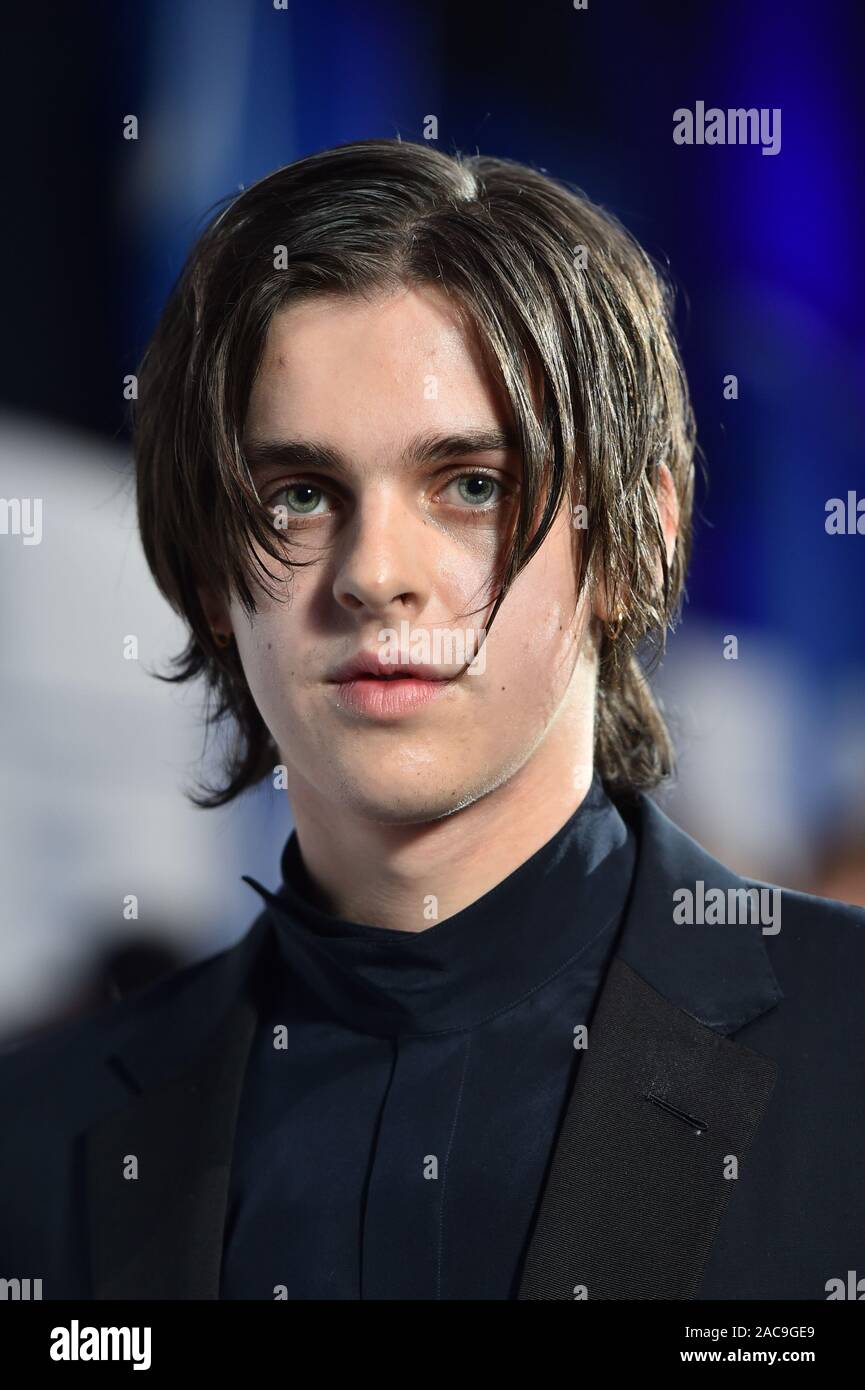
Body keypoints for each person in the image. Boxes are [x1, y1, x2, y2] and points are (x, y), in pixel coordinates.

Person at [2, 139, 863, 1302]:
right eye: (299, 494)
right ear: (210, 574)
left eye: (470, 485)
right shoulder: (41, 1136)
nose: (375, 574)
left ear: (639, 535)